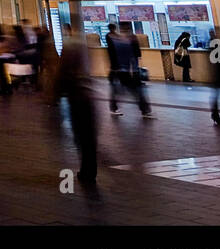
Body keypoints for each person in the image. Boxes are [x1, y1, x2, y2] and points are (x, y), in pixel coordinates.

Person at [54, 25, 98, 185]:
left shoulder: (70, 46)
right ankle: (90, 169)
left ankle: (87, 170)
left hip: (76, 94)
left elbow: (62, 71)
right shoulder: (86, 46)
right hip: (89, 93)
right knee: (88, 135)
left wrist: (55, 94)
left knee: (81, 133)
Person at [106, 21, 152, 117]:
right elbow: (138, 55)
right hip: (129, 70)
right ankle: (145, 110)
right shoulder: (131, 39)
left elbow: (112, 54)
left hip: (119, 70)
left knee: (118, 90)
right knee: (137, 90)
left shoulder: (114, 39)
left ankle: (114, 108)